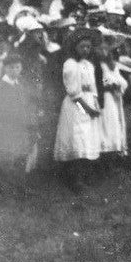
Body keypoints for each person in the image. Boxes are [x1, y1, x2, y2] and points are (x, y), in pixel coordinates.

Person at [52, 28, 103, 193]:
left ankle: (85, 175)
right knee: (77, 140)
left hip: (89, 102)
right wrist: (87, 109)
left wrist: (95, 105)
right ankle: (75, 179)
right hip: (77, 106)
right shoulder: (71, 65)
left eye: (88, 47)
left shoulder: (89, 65)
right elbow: (73, 93)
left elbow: (93, 88)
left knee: (87, 139)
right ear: (75, 47)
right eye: (82, 47)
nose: (86, 50)